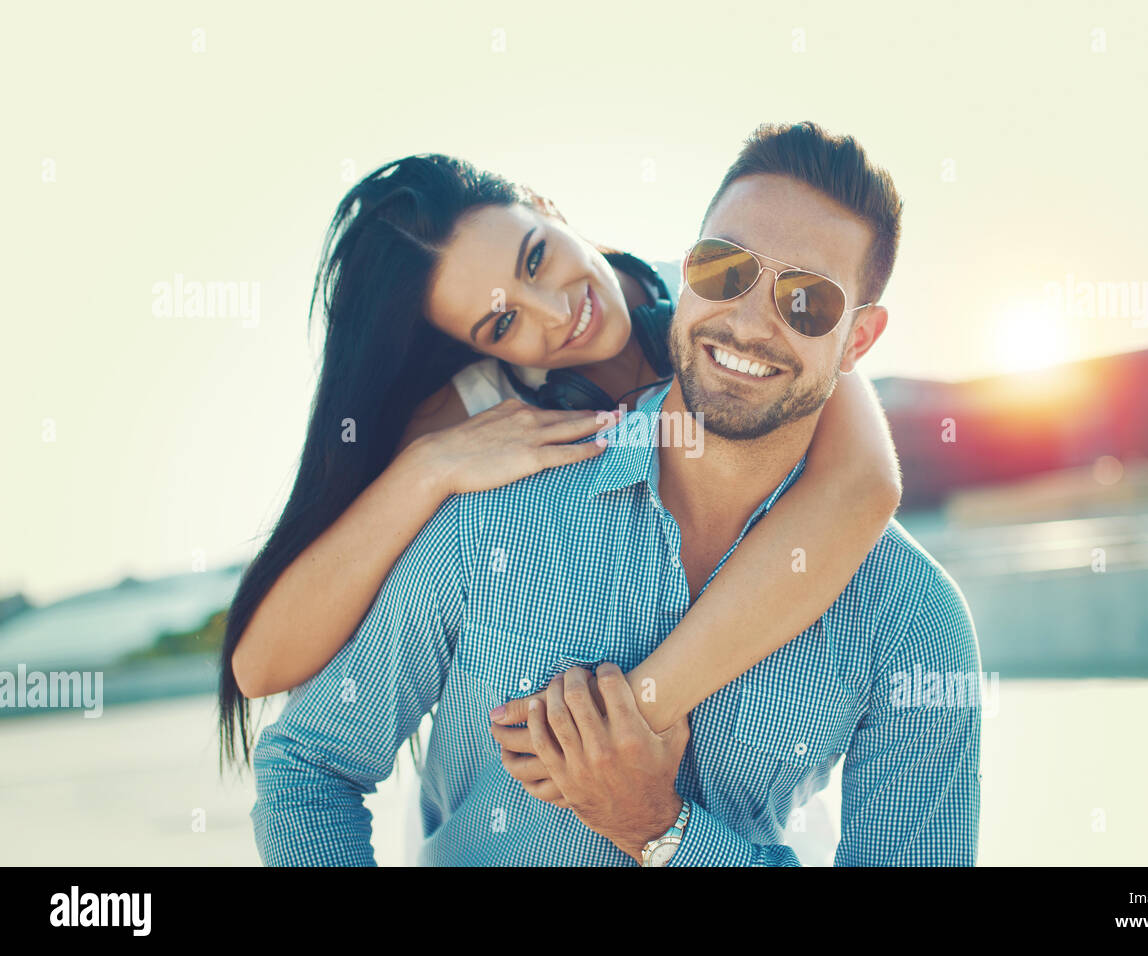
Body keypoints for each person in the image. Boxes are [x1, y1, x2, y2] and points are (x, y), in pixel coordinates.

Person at [251, 121, 982, 867]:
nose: (749, 319)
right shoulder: (489, 511)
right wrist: (426, 468)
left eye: (808, 302)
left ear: (858, 342)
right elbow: (306, 765)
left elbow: (866, 487)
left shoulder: (914, 623)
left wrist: (656, 826)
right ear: (694, 263)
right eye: (724, 268)